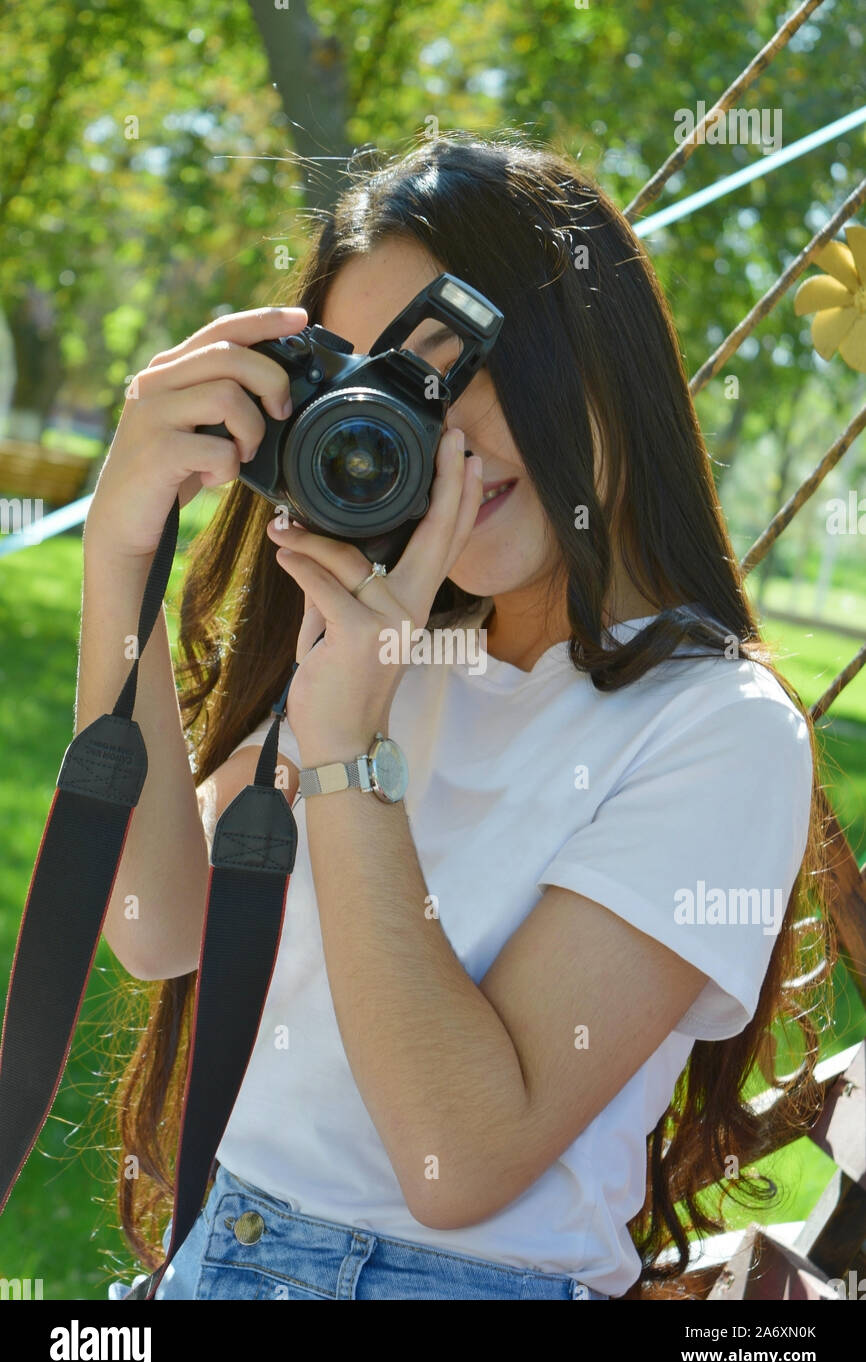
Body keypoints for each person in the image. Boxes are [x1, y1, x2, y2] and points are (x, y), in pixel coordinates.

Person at [85, 134, 830, 1301]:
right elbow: (156, 918)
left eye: (449, 357)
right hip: (218, 1251)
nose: (431, 427)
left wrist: (342, 754)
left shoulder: (716, 730)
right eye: (374, 384)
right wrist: (120, 554)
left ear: (591, 353)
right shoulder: (401, 649)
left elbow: (460, 1156)